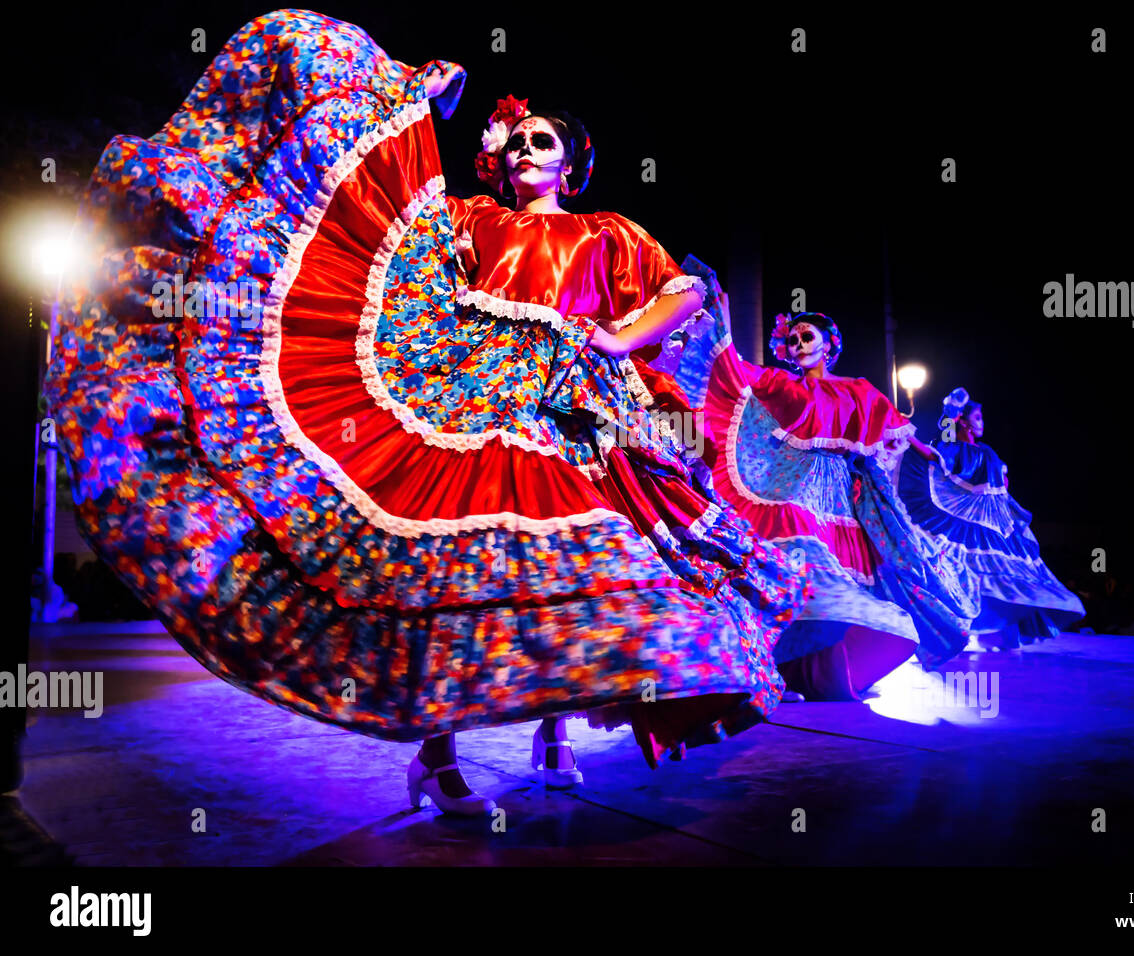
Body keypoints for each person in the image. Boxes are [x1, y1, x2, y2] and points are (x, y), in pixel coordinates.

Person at [42, 10, 809, 818]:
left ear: (574, 165)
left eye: (543, 141)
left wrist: (620, 339)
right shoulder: (470, 220)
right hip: (473, 398)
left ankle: (555, 730)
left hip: (573, 412)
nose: (525, 150)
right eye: (517, 140)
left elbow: (683, 292)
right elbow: (381, 219)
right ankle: (438, 756)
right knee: (462, 567)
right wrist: (407, 101)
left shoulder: (606, 233)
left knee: (562, 567)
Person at [669, 259, 977, 701]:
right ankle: (776, 673)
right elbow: (731, 369)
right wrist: (721, 310)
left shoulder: (859, 391)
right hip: (790, 485)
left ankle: (825, 676)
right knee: (796, 564)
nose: (797, 345)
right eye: (791, 339)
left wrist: (938, 461)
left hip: (842, 502)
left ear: (830, 344)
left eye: (806, 337)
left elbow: (903, 437)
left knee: (846, 585)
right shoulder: (779, 384)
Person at [897, 388, 1084, 648]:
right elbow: (935, 456)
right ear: (963, 420)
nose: (981, 422)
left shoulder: (987, 451)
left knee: (1010, 571)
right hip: (967, 518)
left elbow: (1003, 483)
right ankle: (963, 625)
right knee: (969, 570)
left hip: (997, 521)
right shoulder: (956, 448)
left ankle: (1002, 628)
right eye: (977, 417)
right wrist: (908, 434)